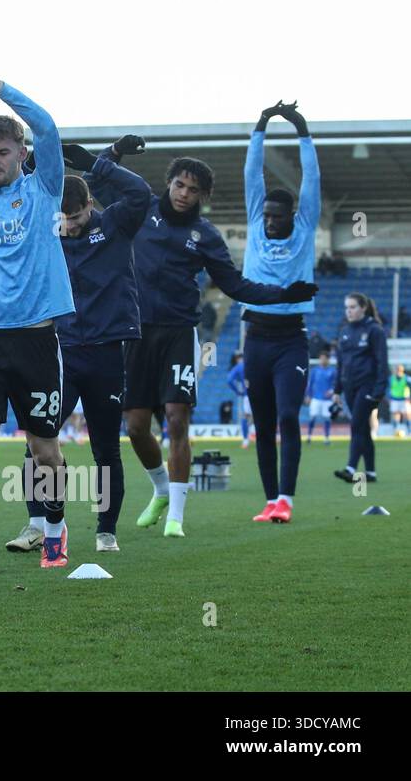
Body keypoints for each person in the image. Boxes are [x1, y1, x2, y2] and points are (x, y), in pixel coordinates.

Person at [126, 156, 317, 538]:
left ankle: (176, 517)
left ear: (204, 196)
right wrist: (111, 154)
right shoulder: (140, 209)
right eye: (179, 185)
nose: (184, 194)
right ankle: (161, 489)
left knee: (178, 418)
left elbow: (235, 285)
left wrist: (283, 294)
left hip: (180, 332)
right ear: (169, 183)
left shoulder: (206, 234)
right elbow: (101, 186)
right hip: (136, 333)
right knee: (135, 428)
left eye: (194, 189)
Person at [7, 134, 149, 556]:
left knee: (105, 446)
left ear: (91, 205)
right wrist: (37, 160)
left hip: (106, 351)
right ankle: (38, 525)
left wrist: (96, 162)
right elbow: (18, 189)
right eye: (62, 218)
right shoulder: (45, 226)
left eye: (75, 216)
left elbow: (140, 192)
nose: (67, 225)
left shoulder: (116, 225)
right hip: (58, 352)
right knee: (39, 439)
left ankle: (106, 530)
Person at [0, 75, 75, 576]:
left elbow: (48, 128)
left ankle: (54, 533)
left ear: (21, 153)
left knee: (43, 448)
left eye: (2, 152)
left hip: (36, 338)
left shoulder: (44, 190)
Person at [242, 102, 321, 524]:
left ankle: (287, 498)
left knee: (288, 415)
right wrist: (261, 124)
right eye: (267, 215)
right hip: (255, 337)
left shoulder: (306, 222)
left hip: (291, 337)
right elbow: (252, 175)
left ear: (292, 213)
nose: (270, 221)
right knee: (263, 421)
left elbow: (313, 179)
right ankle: (270, 500)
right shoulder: (256, 218)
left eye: (277, 215)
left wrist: (300, 128)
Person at [335, 293, 386, 483]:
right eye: (347, 307)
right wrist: (337, 390)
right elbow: (340, 363)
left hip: (368, 386)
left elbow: (382, 362)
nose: (349, 311)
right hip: (349, 387)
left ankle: (351, 468)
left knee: (356, 425)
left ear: (363, 308)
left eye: (353, 307)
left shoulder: (375, 330)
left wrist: (379, 389)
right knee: (363, 429)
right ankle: (370, 473)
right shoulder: (345, 331)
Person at [305, 350, 337, 444]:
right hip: (316, 398)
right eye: (321, 358)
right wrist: (308, 395)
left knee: (327, 418)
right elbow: (310, 384)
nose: (322, 360)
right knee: (312, 417)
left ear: (328, 359)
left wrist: (331, 391)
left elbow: (336, 384)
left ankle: (326, 438)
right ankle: (309, 436)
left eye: (324, 358)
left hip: (327, 400)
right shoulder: (315, 370)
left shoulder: (333, 371)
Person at [227, 353, 251, 448]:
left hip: (248, 395)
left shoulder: (239, 367)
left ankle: (245, 441)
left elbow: (229, 380)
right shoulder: (256, 362)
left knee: (246, 417)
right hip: (264, 393)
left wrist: (237, 391)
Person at [389, 364, 408, 437]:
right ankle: (395, 431)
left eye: (400, 370)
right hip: (394, 399)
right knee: (396, 415)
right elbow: (388, 389)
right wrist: (389, 397)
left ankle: (409, 431)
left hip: (404, 399)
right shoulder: (391, 378)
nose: (398, 372)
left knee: (407, 414)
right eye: (397, 370)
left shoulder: (406, 378)